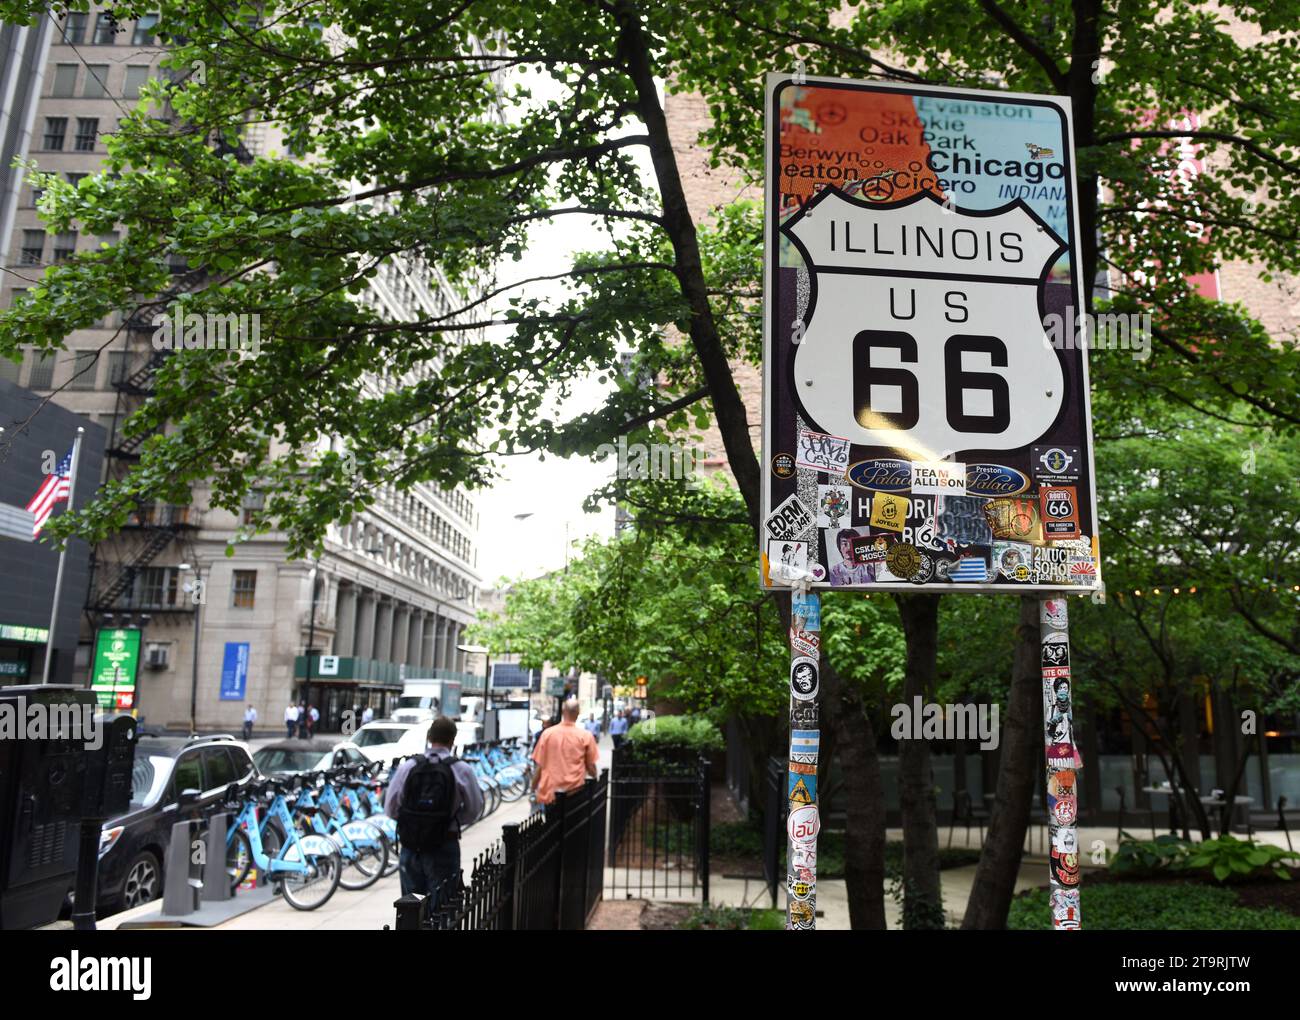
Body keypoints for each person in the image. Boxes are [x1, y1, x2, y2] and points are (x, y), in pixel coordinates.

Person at [385, 716, 484, 900]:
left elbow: (390, 808)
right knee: (442, 911)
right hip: (444, 844)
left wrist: (415, 822)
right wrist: (449, 820)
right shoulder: (461, 769)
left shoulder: (409, 766)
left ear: (429, 737)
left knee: (411, 907)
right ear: (453, 740)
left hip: (411, 847)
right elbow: (474, 809)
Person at [530, 699, 598, 819]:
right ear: (578, 713)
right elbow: (591, 767)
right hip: (574, 793)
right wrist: (596, 780)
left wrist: (533, 788)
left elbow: (540, 766)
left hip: (551, 793)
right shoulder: (585, 736)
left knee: (552, 829)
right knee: (572, 832)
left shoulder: (547, 734)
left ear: (562, 712)